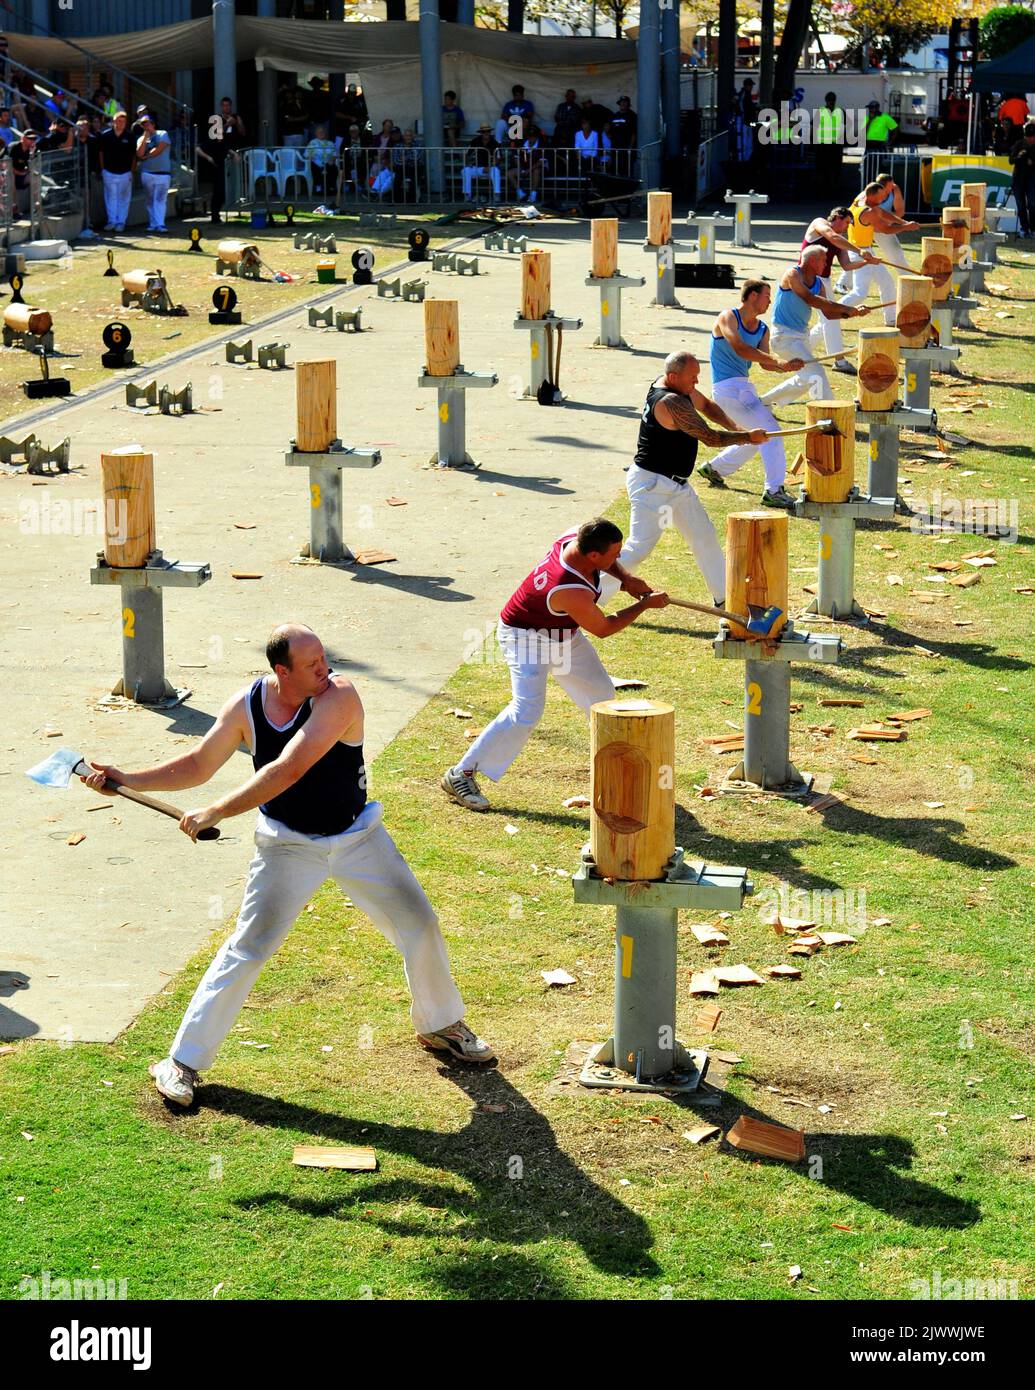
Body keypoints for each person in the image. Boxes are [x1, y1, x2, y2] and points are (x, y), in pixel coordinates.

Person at [81, 624, 495, 1107]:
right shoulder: (246, 706)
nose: (326, 668)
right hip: (287, 845)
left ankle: (440, 1024)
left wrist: (216, 811)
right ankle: (181, 1062)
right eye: (312, 664)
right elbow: (198, 763)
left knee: (420, 923)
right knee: (248, 948)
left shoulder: (339, 695)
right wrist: (126, 777)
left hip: (358, 836)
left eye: (324, 657)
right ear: (282, 672)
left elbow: (288, 768)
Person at [440, 520, 668, 813]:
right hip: (526, 639)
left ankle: (618, 772)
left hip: (562, 634)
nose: (618, 559)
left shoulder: (576, 536)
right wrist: (644, 605)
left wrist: (626, 577)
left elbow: (607, 565)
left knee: (601, 696)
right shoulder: (567, 587)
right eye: (614, 555)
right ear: (593, 557)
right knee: (526, 710)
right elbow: (603, 627)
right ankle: (462, 773)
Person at [595, 351, 770, 612]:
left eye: (698, 376)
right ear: (673, 376)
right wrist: (746, 437)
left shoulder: (680, 388)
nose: (696, 382)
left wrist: (735, 427)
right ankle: (587, 596)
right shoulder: (670, 402)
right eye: (693, 377)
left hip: (676, 485)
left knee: (704, 538)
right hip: (653, 486)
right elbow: (709, 438)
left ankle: (725, 599)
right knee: (639, 548)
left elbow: (707, 406)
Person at [696, 279, 805, 508]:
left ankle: (714, 468)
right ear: (753, 296)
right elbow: (740, 348)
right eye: (767, 295)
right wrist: (777, 360)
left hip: (743, 390)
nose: (769, 301)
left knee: (755, 438)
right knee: (771, 433)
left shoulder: (762, 329)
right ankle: (774, 491)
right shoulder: (728, 317)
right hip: (727, 390)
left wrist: (785, 366)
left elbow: (766, 364)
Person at [761, 246, 870, 406]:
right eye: (824, 260)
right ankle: (828, 413)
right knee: (816, 374)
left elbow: (828, 314)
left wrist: (852, 313)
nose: (826, 264)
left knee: (806, 378)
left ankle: (763, 402)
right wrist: (846, 309)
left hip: (801, 338)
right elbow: (810, 299)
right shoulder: (793, 274)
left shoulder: (819, 283)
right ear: (812, 261)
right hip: (784, 338)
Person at [800, 206, 879, 372]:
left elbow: (847, 265)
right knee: (830, 318)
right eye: (847, 222)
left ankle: (804, 350)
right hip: (807, 277)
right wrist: (859, 250)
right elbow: (832, 236)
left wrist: (867, 262)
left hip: (823, 280)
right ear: (836, 217)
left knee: (828, 319)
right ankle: (839, 361)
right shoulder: (819, 223)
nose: (847, 227)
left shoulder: (840, 241)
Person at [841, 181, 920, 322]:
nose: (883, 199)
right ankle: (832, 310)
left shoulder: (859, 201)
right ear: (872, 196)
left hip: (866, 251)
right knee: (859, 293)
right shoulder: (868, 212)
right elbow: (886, 229)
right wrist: (906, 228)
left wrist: (904, 223)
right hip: (861, 254)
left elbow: (883, 213)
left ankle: (890, 320)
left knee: (887, 283)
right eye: (881, 196)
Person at [98, 110, 134, 233]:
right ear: (113, 121)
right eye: (119, 121)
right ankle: (112, 221)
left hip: (125, 172)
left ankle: (121, 222)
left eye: (123, 121)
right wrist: (103, 169)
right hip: (109, 171)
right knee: (110, 197)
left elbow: (134, 155)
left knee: (123, 198)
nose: (121, 123)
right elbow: (101, 153)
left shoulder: (130, 136)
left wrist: (132, 171)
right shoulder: (106, 135)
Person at [136, 114, 171, 232]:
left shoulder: (163, 134)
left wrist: (147, 156)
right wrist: (145, 139)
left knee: (160, 199)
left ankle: (160, 224)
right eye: (143, 124)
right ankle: (153, 224)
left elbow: (159, 149)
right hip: (147, 174)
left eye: (148, 123)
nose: (146, 126)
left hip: (163, 173)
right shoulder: (141, 139)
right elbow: (139, 154)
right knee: (150, 200)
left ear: (153, 124)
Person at [1009, 122, 1035, 238]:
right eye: (1028, 137)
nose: (1030, 139)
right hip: (1018, 179)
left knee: (1033, 204)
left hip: (1032, 179)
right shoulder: (1019, 144)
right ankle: (1024, 228)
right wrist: (1019, 156)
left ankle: (1033, 228)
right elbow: (1011, 160)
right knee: (1021, 206)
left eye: (1032, 137)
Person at [462, 124, 500, 201]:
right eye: (484, 131)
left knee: (496, 171)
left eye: (488, 131)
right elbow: (467, 154)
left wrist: (491, 166)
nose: (486, 133)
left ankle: (496, 194)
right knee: (465, 170)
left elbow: (498, 158)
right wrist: (468, 164)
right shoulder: (475, 141)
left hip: (489, 168)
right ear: (481, 133)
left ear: (490, 132)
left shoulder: (495, 143)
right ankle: (467, 195)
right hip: (476, 167)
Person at [815, 92, 844, 190]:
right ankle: (822, 190)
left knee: (834, 169)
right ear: (826, 101)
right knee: (822, 169)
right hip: (823, 145)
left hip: (834, 145)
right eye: (829, 100)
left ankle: (832, 190)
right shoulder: (821, 111)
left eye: (832, 100)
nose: (831, 102)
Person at [304, 123, 337, 200]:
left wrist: (332, 159)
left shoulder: (330, 143)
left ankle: (330, 188)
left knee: (333, 168)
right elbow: (306, 154)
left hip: (328, 163)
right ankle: (318, 188)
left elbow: (334, 154)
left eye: (322, 132)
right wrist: (311, 157)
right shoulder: (313, 143)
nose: (321, 133)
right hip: (316, 163)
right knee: (315, 166)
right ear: (316, 133)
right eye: (319, 132)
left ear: (325, 133)